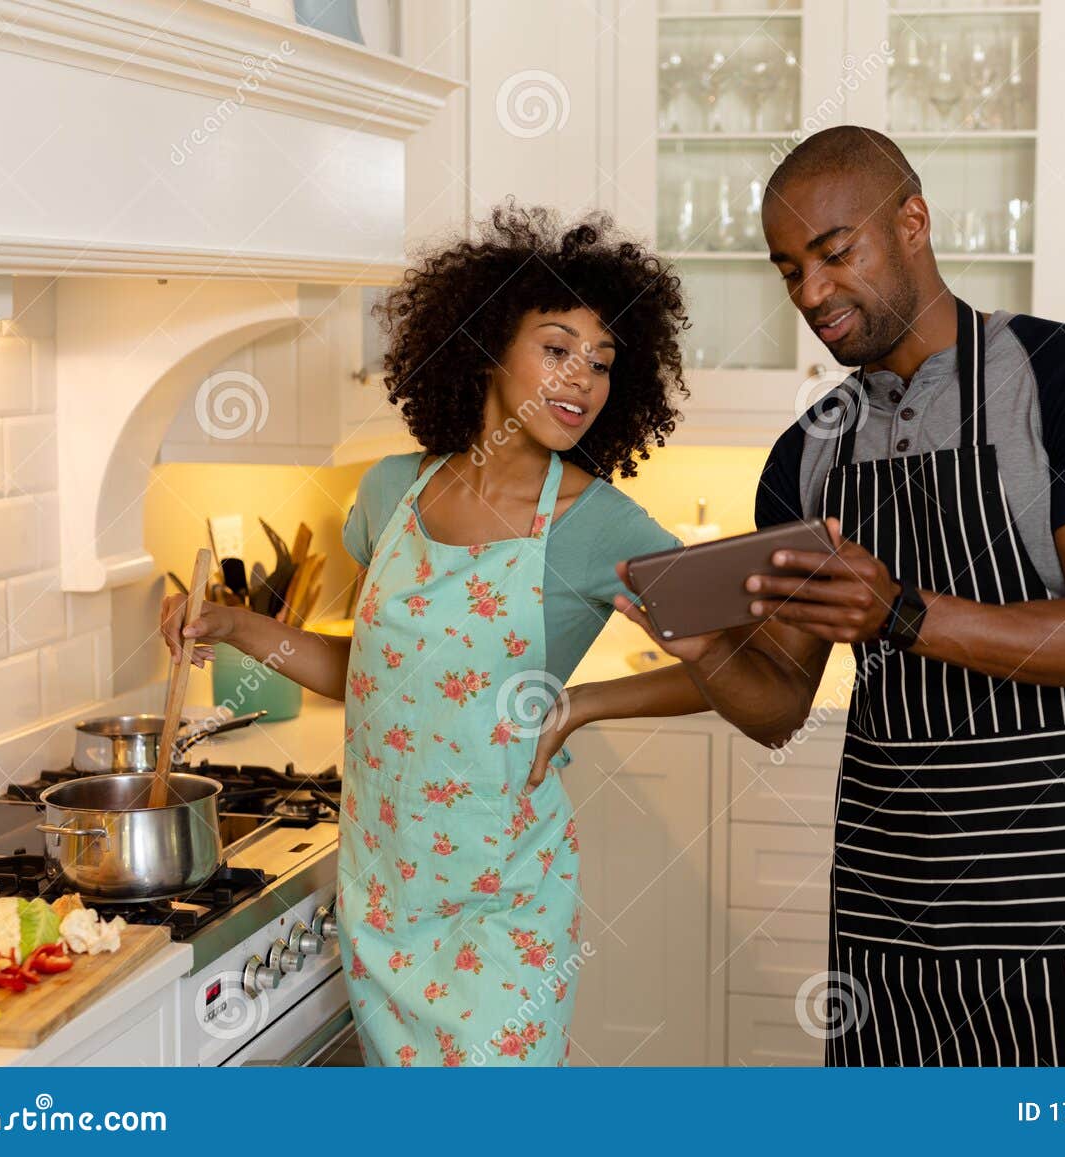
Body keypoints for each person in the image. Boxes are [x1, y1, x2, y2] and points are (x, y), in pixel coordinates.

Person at [614, 126, 1065, 1066]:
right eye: (789, 270)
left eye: (836, 254)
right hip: (890, 907)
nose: (812, 295)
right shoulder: (809, 451)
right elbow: (779, 707)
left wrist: (902, 613)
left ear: (913, 222)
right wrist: (711, 655)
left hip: (1064, 898)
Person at [160, 205, 712, 1067]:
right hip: (383, 894)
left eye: (603, 362)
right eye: (558, 348)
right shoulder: (391, 492)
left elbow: (741, 667)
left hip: (503, 910)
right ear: (487, 343)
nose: (583, 380)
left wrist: (586, 704)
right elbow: (365, 673)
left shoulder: (601, 524)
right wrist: (233, 624)